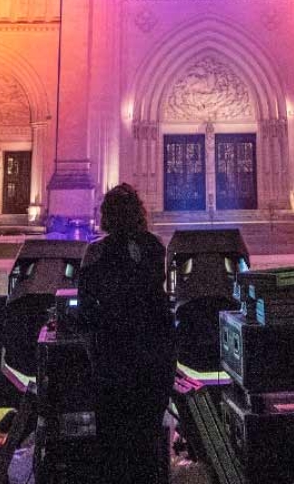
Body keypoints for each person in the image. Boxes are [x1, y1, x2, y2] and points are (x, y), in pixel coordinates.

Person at [78, 183, 176, 484]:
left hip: (113, 361)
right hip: (152, 361)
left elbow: (85, 308)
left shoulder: (95, 253)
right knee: (146, 440)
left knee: (113, 442)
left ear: (106, 215)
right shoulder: (155, 248)